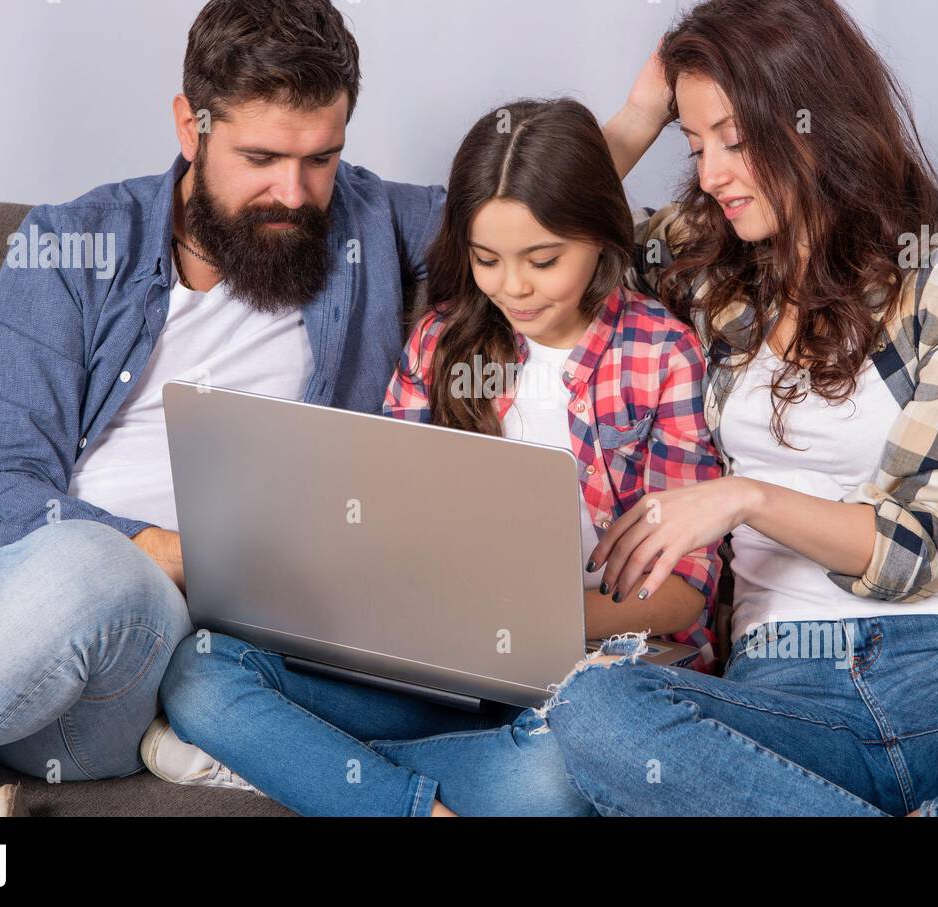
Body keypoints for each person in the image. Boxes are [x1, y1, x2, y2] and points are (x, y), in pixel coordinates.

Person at [539, 0, 938, 817]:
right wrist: (643, 112)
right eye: (695, 145)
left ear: (812, 117)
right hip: (785, 694)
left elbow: (911, 554)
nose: (712, 172)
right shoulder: (711, 281)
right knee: (595, 708)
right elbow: (533, 240)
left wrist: (745, 497)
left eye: (733, 135)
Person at [0, 0, 443, 817]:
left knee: (86, 569)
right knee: (53, 565)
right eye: (261, 159)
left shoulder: (366, 223)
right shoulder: (68, 246)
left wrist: (646, 110)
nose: (294, 192)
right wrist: (176, 545)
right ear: (189, 126)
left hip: (136, 644)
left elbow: (538, 204)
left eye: (321, 157)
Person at [152, 97, 724, 816]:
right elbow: (385, 523)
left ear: (602, 237)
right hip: (435, 673)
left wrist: (534, 627)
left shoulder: (662, 354)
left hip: (578, 686)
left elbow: (688, 590)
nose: (512, 287)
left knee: (561, 776)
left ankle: (307, 769)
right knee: (203, 672)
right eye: (487, 259)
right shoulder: (440, 343)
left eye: (543, 261)